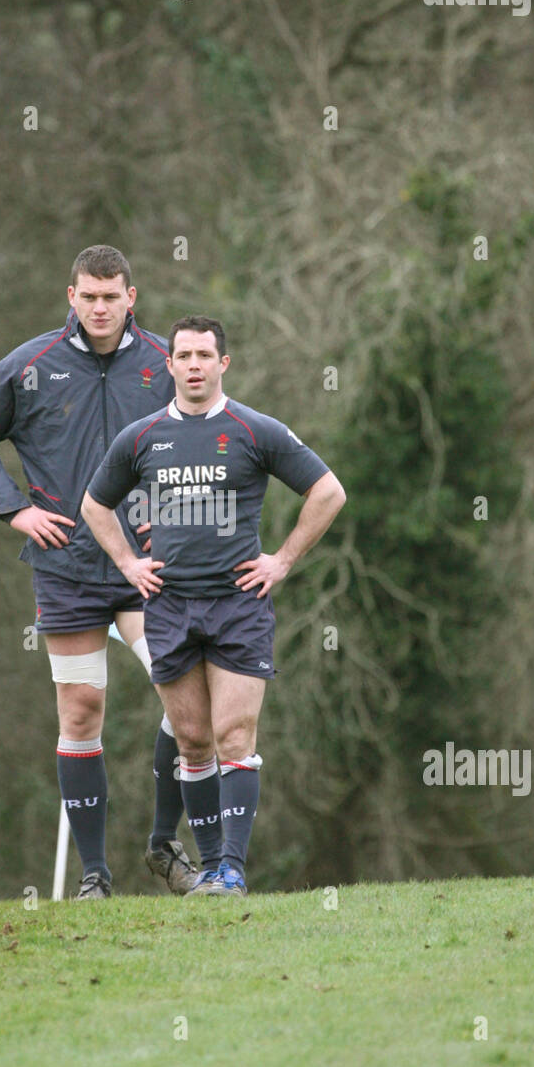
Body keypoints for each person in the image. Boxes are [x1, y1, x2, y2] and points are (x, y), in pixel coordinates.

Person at [0, 247, 218, 899]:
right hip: (67, 565)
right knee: (81, 710)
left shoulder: (165, 364)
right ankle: (95, 877)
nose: (100, 308)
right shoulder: (28, 367)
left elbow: (217, 439)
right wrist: (16, 512)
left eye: (111, 296)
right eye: (88, 297)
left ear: (132, 296)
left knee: (191, 712)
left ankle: (163, 845)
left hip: (150, 568)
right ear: (70, 295)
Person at [81, 315, 346, 896]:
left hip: (239, 606)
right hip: (170, 608)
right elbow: (95, 506)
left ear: (223, 364)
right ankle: (207, 870)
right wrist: (128, 564)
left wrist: (282, 560)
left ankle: (233, 868)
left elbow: (328, 492)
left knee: (234, 734)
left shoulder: (255, 429)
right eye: (184, 355)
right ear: (169, 365)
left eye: (205, 355)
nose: (195, 365)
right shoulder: (142, 437)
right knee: (194, 739)